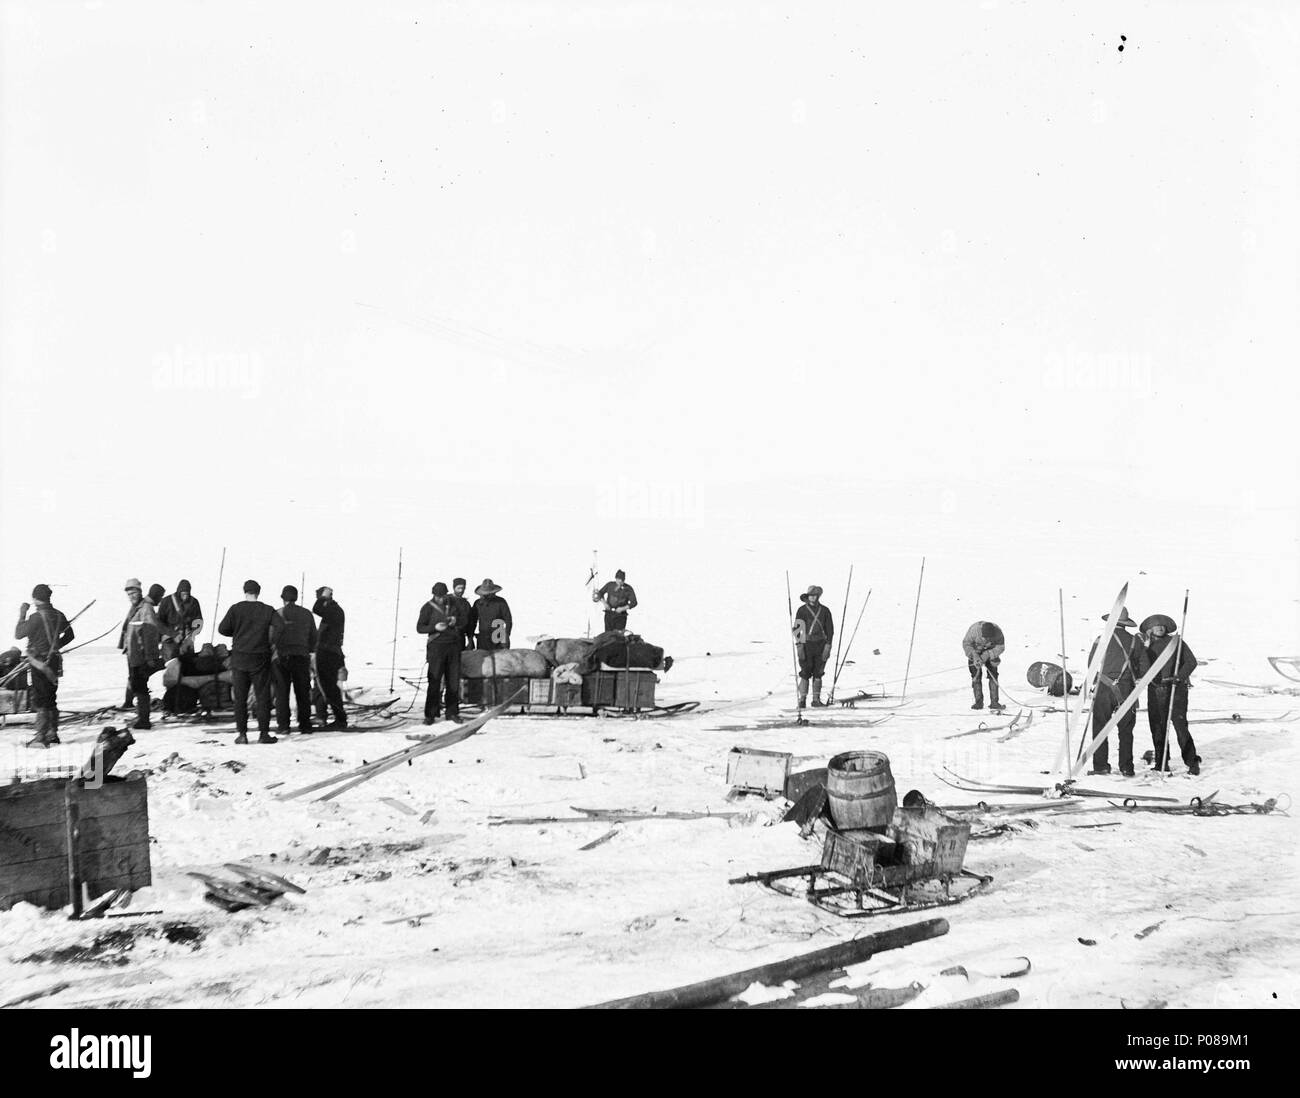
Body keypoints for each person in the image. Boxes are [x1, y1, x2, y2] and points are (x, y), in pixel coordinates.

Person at [1087, 607, 1151, 777]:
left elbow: (1092, 664)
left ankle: (1101, 766)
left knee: (1100, 727)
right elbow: (1145, 666)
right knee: (1126, 730)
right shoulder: (1135, 641)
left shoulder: (1101, 639)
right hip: (1126, 689)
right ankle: (1126, 767)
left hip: (1104, 687)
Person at [218, 580, 283, 744]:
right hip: (260, 657)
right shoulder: (267, 610)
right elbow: (281, 626)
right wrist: (271, 642)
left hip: (239, 658)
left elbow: (222, 629)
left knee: (240, 698)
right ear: (258, 592)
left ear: (244, 591)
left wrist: (238, 632)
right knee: (262, 697)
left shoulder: (235, 609)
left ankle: (242, 735)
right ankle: (263, 734)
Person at [14, 584, 74, 748]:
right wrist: (56, 646)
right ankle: (53, 734)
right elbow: (70, 635)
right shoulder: (59, 615)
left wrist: (22, 614)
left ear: (35, 599)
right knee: (51, 697)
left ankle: (40, 737)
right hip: (54, 661)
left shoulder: (35, 617)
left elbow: (18, 634)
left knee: (40, 698)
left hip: (39, 663)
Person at [1141, 614, 1201, 775]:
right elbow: (1140, 666)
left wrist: (1179, 677)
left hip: (1176, 690)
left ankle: (1192, 762)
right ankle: (1161, 762)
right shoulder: (1144, 645)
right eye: (1156, 625)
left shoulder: (1176, 643)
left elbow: (1191, 662)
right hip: (1155, 690)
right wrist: (1144, 648)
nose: (1160, 628)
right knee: (1158, 728)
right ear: (1150, 629)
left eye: (1162, 625)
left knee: (1180, 727)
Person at [119, 580, 164, 730]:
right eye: (129, 594)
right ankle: (141, 717)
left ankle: (144, 720)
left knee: (140, 686)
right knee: (137, 684)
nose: (131, 596)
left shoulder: (145, 608)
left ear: (140, 591)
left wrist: (151, 657)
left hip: (141, 655)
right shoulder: (136, 608)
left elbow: (150, 633)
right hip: (133, 654)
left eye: (134, 593)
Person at [273, 585, 318, 735]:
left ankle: (283, 726)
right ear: (296, 597)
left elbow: (272, 636)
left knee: (281, 692)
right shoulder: (306, 614)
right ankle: (305, 725)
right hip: (301, 656)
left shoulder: (277, 614)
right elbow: (314, 638)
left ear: (282, 598)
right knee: (303, 692)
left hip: (281, 657)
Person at [417, 582, 462, 725]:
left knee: (453, 682)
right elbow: (419, 627)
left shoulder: (454, 605)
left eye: (443, 596)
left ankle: (452, 712)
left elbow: (464, 620)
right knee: (434, 681)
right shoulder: (427, 608)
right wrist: (434, 627)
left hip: (453, 647)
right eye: (438, 596)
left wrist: (456, 621)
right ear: (434, 595)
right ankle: (430, 714)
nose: (441, 599)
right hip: (436, 648)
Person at [311, 585, 348, 729]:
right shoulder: (333, 610)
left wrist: (324, 597)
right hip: (328, 652)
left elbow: (316, 608)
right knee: (323, 686)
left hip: (328, 653)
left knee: (328, 686)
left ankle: (340, 719)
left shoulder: (333, 609)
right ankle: (325, 716)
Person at [792, 584, 834, 708]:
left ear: (818, 596)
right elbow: (797, 628)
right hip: (806, 645)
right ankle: (802, 700)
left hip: (821, 644)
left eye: (815, 596)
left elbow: (830, 630)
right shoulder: (802, 610)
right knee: (805, 672)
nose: (812, 598)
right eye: (811, 595)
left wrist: (828, 645)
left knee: (818, 672)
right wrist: (799, 645)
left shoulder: (825, 610)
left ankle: (816, 700)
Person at [962, 621, 1006, 712]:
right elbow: (966, 644)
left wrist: (988, 654)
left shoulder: (998, 633)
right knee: (976, 676)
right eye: (985, 638)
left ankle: (994, 702)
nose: (987, 640)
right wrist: (974, 655)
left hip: (991, 652)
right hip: (975, 652)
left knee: (993, 675)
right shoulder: (973, 630)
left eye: (990, 638)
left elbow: (1000, 647)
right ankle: (978, 702)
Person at [157, 580, 203, 661]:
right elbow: (159, 623)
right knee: (171, 664)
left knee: (189, 665)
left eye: (187, 593)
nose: (185, 596)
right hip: (169, 641)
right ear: (179, 592)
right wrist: (173, 634)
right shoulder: (167, 601)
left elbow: (199, 621)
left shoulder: (193, 602)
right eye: (183, 593)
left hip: (187, 640)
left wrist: (191, 635)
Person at [468, 578, 512, 651]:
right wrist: (470, 639)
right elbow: (473, 622)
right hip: (483, 637)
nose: (486, 595)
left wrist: (506, 636)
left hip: (498, 636)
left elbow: (508, 620)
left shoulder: (501, 602)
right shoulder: (478, 603)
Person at [449, 578, 474, 651]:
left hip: (460, 638)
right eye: (458, 588)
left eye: (463, 588)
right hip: (447, 638)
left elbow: (470, 624)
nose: (461, 590)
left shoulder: (466, 604)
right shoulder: (447, 601)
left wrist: (470, 641)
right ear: (454, 588)